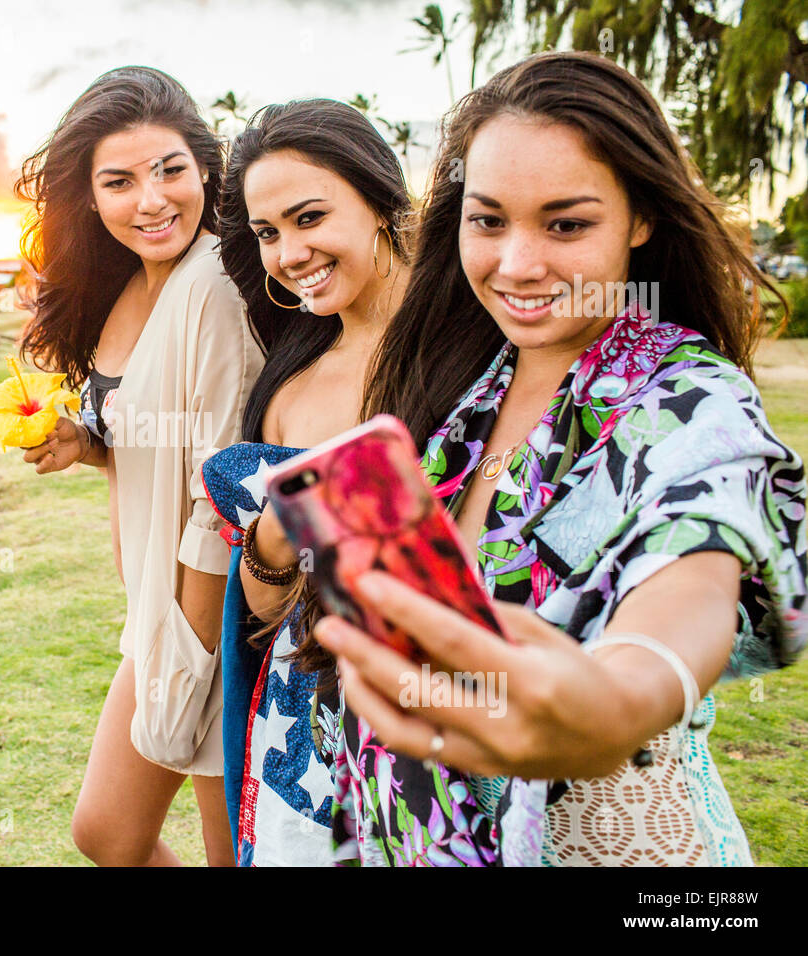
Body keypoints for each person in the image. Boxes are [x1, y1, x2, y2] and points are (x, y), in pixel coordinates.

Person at [312, 50, 808, 866]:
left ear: (640, 219)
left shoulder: (689, 399)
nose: (518, 264)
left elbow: (693, 561)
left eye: (567, 224)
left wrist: (620, 694)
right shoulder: (458, 386)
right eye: (489, 220)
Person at [15, 65, 264, 866]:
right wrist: (84, 442)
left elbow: (219, 493)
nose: (151, 200)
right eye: (119, 181)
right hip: (156, 618)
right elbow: (150, 437)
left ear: (204, 171)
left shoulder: (214, 286)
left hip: (216, 623)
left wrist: (189, 658)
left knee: (230, 855)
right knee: (107, 834)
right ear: (89, 197)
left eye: (171, 171)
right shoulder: (130, 283)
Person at [200, 99, 412, 865]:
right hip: (307, 721)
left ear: (381, 201)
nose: (289, 252)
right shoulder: (290, 386)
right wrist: (275, 533)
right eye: (267, 233)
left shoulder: (474, 341)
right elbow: (265, 612)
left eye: (309, 216)